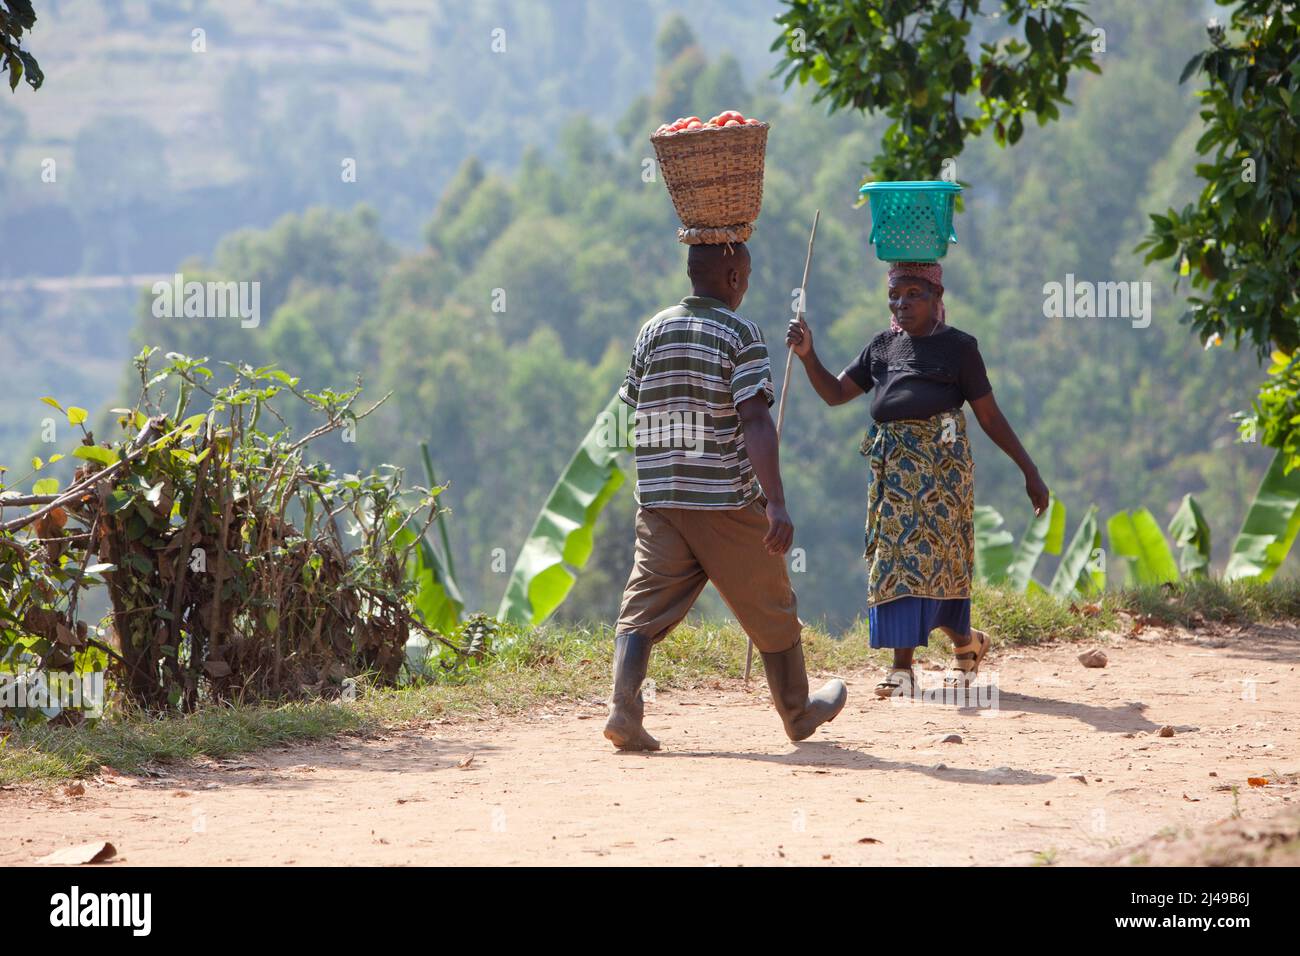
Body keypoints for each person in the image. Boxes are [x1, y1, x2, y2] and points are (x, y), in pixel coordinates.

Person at [605, 241, 847, 751]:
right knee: (772, 603)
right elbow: (755, 419)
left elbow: (632, 404)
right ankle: (799, 713)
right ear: (734, 276)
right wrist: (775, 502)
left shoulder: (652, 329)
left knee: (642, 607)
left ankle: (624, 709)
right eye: (749, 273)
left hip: (660, 497)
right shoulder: (740, 334)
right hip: (724, 499)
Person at [785, 260, 1049, 697]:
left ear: (936, 300)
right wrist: (808, 354)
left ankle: (961, 645)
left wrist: (1030, 470)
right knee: (894, 563)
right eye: (895, 295)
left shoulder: (960, 349)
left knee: (941, 567)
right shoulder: (882, 347)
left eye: (914, 295)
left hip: (942, 479)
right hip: (892, 478)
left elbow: (989, 416)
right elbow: (835, 394)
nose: (902, 304)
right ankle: (911, 666)